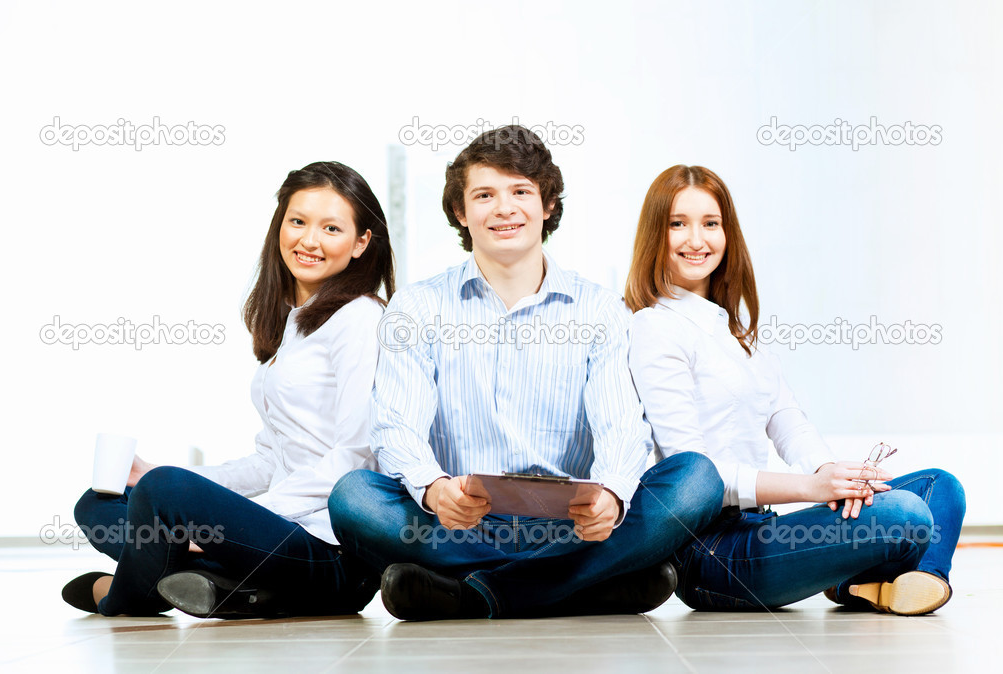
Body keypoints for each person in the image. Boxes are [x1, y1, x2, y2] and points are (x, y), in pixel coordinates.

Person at [327, 126, 723, 621]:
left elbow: (621, 425)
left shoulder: (599, 309)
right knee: (353, 497)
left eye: (520, 192)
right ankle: (578, 586)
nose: (504, 209)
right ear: (460, 211)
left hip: (571, 527)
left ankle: (480, 593)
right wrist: (434, 488)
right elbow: (396, 425)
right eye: (484, 195)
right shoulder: (417, 307)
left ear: (548, 204)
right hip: (458, 526)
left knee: (697, 479)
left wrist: (612, 496)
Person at [625, 164, 965, 615]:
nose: (696, 239)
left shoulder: (736, 333)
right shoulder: (655, 327)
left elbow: (789, 422)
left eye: (710, 223)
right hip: (710, 553)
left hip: (759, 528)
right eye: (677, 224)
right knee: (905, 515)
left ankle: (894, 584)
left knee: (939, 488)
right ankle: (875, 578)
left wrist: (833, 475)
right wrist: (812, 487)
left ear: (727, 233)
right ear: (656, 233)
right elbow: (695, 478)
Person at [63, 161, 396, 618]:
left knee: (164, 491)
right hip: (280, 534)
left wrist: (223, 521)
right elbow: (270, 461)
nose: (309, 240)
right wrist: (164, 477)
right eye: (298, 221)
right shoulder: (294, 324)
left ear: (361, 242)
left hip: (329, 552)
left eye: (331, 228)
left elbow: (356, 457)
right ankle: (223, 587)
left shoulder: (360, 317)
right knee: (99, 503)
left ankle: (123, 595)